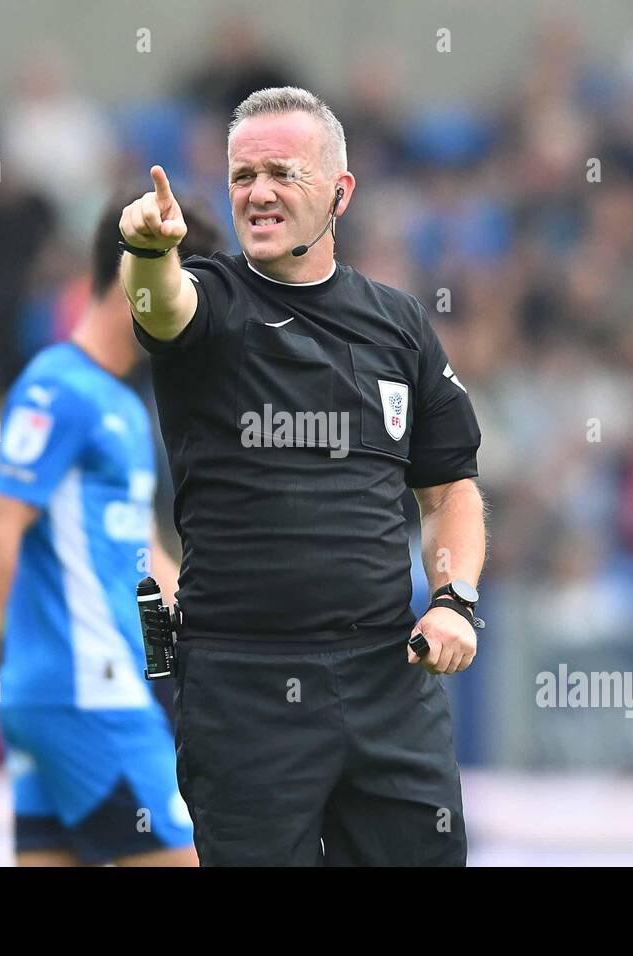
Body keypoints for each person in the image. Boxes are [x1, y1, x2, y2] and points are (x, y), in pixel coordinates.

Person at [118, 87, 485, 866]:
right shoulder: (212, 300)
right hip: (243, 688)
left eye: (282, 172)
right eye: (242, 175)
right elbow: (160, 305)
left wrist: (453, 600)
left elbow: (450, 488)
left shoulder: (400, 324)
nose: (257, 192)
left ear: (340, 192)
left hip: (388, 676)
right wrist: (150, 253)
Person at [0, 192, 224, 866]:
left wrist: (209, 643)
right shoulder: (60, 387)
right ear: (138, 275)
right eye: (183, 290)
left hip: (72, 696)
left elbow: (142, 564)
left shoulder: (122, 406)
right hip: (89, 695)